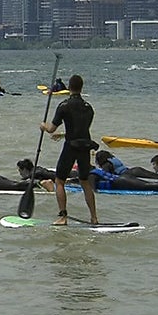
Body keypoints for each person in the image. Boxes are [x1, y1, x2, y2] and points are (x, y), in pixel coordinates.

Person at [40, 74, 98, 225]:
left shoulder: (64, 106)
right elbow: (81, 129)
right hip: (85, 145)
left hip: (71, 146)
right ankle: (94, 218)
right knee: (85, 181)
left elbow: (51, 129)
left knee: (59, 181)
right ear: (81, 87)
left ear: (69, 87)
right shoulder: (89, 108)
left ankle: (62, 217)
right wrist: (64, 133)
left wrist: (43, 126)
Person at [91, 151, 158, 193]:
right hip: (134, 170)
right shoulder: (113, 159)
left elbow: (107, 175)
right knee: (156, 177)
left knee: (147, 185)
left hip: (126, 176)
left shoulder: (105, 165)